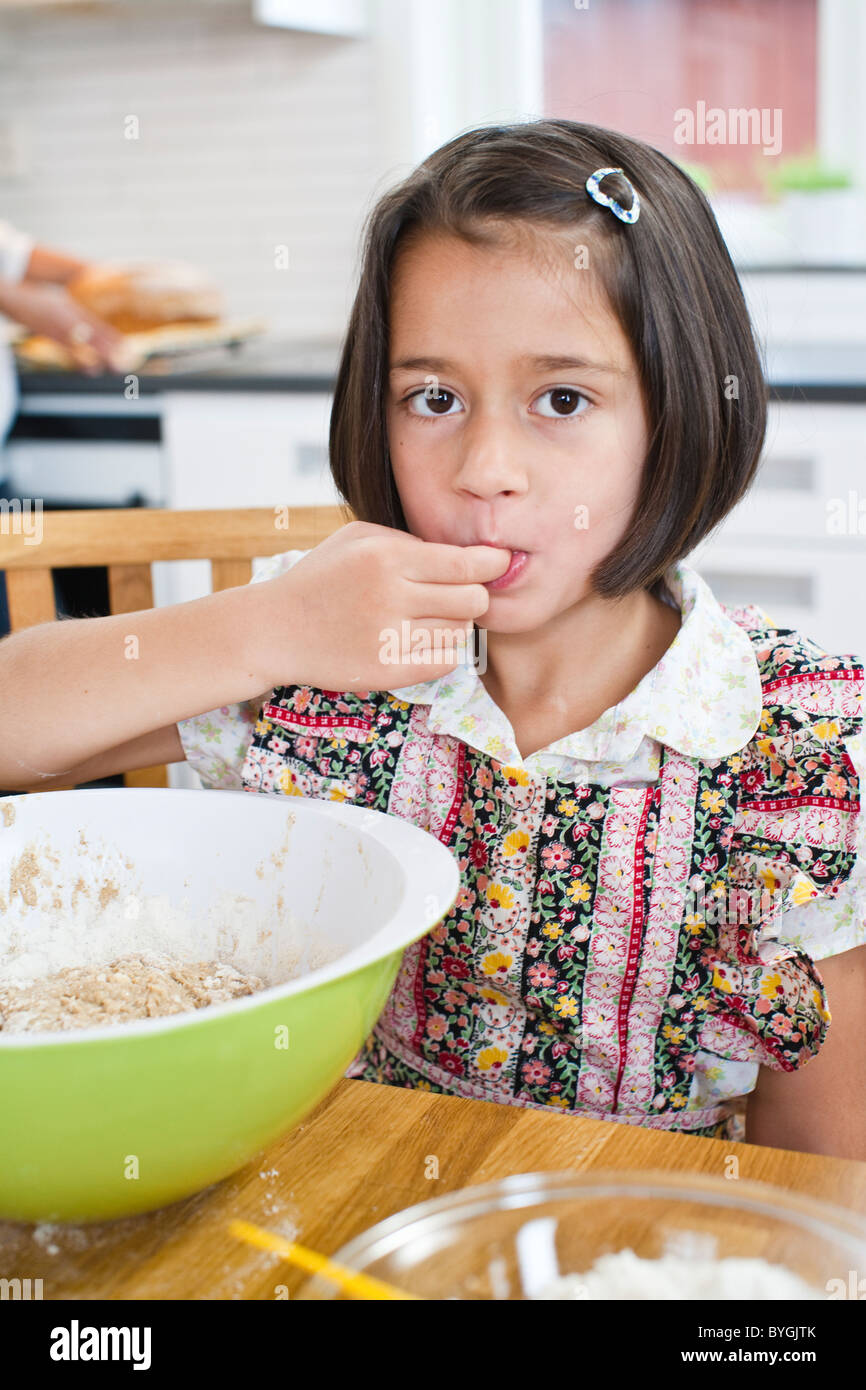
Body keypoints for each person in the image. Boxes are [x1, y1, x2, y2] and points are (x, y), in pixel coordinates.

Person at [1, 120, 864, 1159]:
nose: (483, 467)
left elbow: (817, 1183)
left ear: (677, 411)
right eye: (433, 398)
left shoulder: (805, 744)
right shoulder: (312, 659)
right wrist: (266, 625)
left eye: (561, 399)